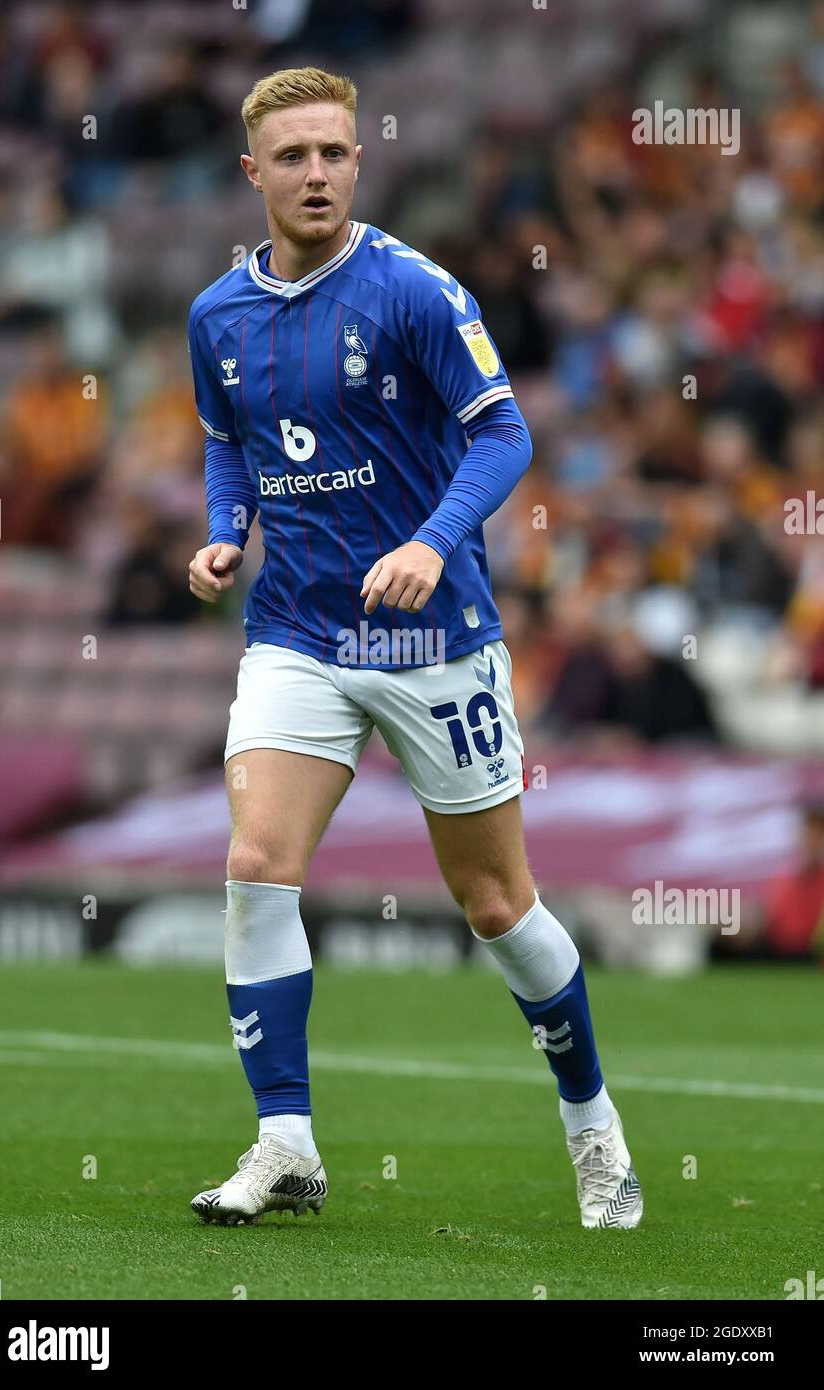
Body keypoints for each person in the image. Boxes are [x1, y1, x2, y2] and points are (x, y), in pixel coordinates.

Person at [185, 66, 643, 1230]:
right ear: (253, 173)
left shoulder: (412, 294)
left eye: (333, 152)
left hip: (430, 637)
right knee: (254, 863)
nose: (316, 173)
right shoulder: (214, 317)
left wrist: (435, 544)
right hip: (294, 629)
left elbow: (504, 435)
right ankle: (283, 1140)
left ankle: (593, 1127)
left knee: (496, 903)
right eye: (290, 157)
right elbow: (230, 446)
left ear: (358, 159)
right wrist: (222, 534)